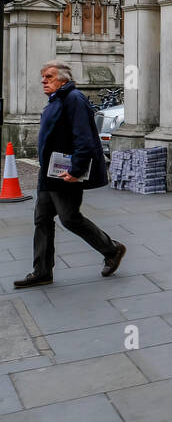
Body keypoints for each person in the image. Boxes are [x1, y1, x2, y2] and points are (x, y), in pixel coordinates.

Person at [14, 61, 126, 288]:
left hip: (65, 172)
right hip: (49, 173)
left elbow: (84, 138)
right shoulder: (56, 100)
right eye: (43, 77)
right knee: (42, 219)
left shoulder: (74, 99)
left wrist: (76, 170)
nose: (43, 81)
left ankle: (112, 249)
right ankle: (42, 271)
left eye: (49, 77)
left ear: (63, 80)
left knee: (70, 218)